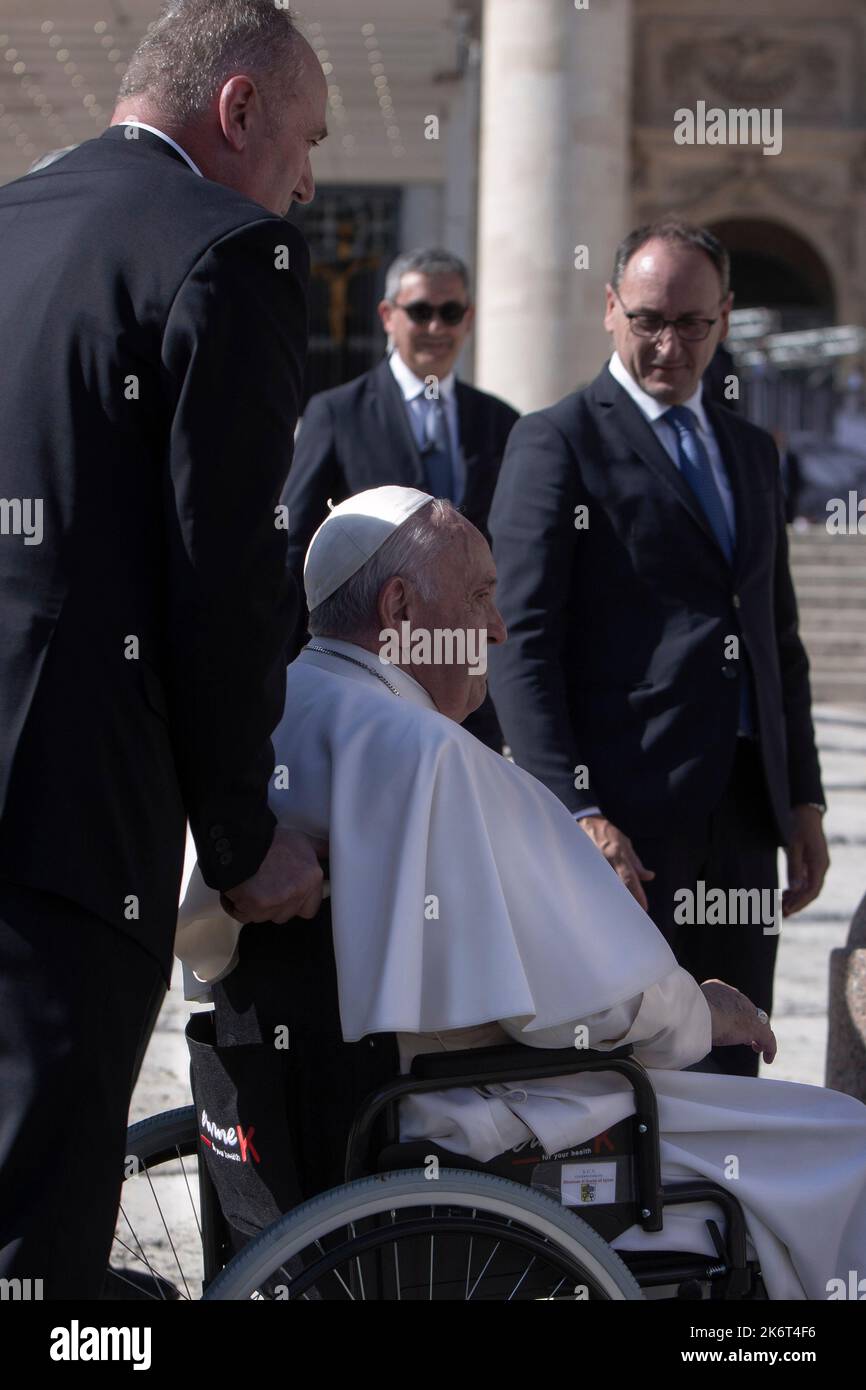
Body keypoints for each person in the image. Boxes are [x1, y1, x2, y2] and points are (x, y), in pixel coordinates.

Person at [177, 486, 866, 1302]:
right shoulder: (424, 747)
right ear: (398, 605)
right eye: (478, 597)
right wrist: (697, 1009)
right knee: (842, 1146)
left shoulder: (275, 718)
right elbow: (606, 1002)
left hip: (324, 1115)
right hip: (469, 1124)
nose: (499, 628)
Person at [0, 0, 327, 1299]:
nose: (307, 182)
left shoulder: (14, 218)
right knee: (36, 1220)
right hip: (68, 827)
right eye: (303, 142)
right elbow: (225, 578)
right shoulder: (232, 252)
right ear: (237, 110)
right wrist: (243, 842)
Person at [487, 221, 829, 1077]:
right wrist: (577, 808)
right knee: (626, 1060)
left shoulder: (751, 452)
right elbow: (521, 640)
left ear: (725, 318)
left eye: (692, 323)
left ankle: (723, 1212)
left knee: (733, 1047)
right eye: (648, 321)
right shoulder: (557, 440)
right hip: (626, 823)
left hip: (744, 815)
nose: (670, 345)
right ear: (609, 310)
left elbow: (775, 638)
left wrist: (805, 801)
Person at [280, 247, 520, 750]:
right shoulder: (336, 414)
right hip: (369, 675)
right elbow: (293, 547)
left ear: (469, 319)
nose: (436, 326)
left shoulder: (500, 421)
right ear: (389, 316)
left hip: (469, 684)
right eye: (420, 311)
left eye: (450, 312)